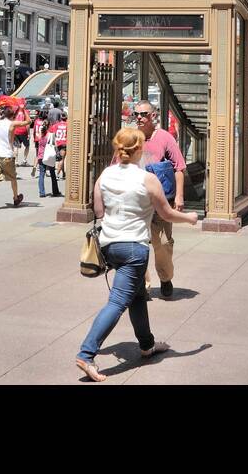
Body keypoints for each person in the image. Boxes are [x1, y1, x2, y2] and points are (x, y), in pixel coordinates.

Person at [75, 126, 199, 381]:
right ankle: (86, 354)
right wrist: (189, 218)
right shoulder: (147, 179)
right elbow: (165, 213)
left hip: (109, 245)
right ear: (139, 149)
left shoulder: (105, 175)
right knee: (118, 302)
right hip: (134, 247)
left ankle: (146, 345)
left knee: (138, 296)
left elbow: (98, 210)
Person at [129, 100, 186, 298]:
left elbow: (179, 167)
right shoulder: (130, 138)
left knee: (162, 243)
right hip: (136, 203)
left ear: (153, 116)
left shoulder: (165, 137)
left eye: (143, 114)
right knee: (139, 244)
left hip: (161, 202)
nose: (139, 117)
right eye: (136, 114)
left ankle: (165, 277)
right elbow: (116, 166)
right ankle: (143, 285)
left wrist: (179, 196)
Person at [0, 104, 29, 210]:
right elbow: (28, 122)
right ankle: (15, 198)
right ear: (13, 115)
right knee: (13, 178)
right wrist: (23, 110)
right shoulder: (12, 124)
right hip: (7, 156)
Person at [12, 99, 31, 166]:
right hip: (24, 131)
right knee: (27, 146)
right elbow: (28, 124)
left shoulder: (15, 112)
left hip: (16, 131)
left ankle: (16, 162)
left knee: (16, 146)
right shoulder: (26, 112)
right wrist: (29, 133)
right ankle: (24, 160)